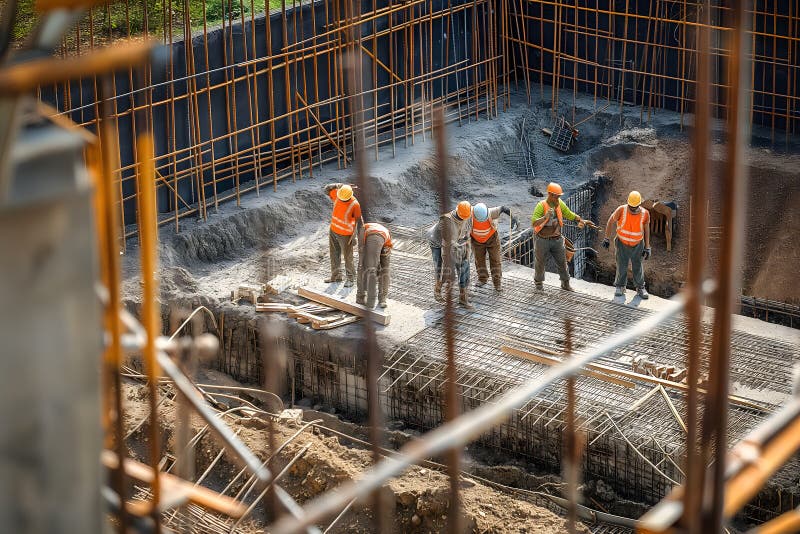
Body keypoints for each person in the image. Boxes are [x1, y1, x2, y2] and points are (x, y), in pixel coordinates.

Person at [530, 182, 585, 291]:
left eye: (559, 196)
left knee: (562, 262)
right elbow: (534, 223)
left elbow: (568, 213)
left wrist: (578, 219)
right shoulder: (541, 206)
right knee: (540, 262)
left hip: (557, 239)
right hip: (542, 239)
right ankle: (539, 284)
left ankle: (565, 283)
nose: (558, 198)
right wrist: (545, 217)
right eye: (556, 196)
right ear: (550, 195)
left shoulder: (559, 204)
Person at [602, 190, 652, 299]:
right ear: (628, 203)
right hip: (621, 243)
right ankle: (620, 286)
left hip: (638, 244)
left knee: (637, 266)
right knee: (621, 265)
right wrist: (606, 238)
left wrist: (647, 247)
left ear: (639, 204)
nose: (633, 209)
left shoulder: (645, 213)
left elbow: (647, 229)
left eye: (635, 207)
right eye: (631, 207)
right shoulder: (621, 210)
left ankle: (640, 287)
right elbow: (610, 221)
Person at [428, 200, 474, 308]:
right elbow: (446, 245)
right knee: (442, 269)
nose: (465, 219)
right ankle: (438, 289)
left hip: (455, 241)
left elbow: (467, 235)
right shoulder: (446, 221)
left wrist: (467, 251)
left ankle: (463, 298)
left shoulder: (468, 214)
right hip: (437, 242)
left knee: (465, 266)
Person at [470, 203, 516, 291]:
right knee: (479, 260)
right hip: (476, 240)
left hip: (492, 239)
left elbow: (503, 208)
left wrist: (513, 218)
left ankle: (497, 283)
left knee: (495, 260)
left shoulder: (491, 212)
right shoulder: (469, 214)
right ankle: (482, 278)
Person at [324, 183, 363, 287]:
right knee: (334, 254)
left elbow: (359, 221)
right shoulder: (337, 193)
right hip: (333, 230)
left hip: (346, 235)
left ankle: (350, 279)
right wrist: (341, 185)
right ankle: (336, 276)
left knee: (348, 257)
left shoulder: (355, 204)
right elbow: (326, 188)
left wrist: (356, 237)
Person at [356, 223, 392, 309]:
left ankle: (363, 298)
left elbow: (361, 250)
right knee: (385, 270)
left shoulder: (363, 229)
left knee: (367, 268)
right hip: (386, 239)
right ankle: (382, 299)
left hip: (376, 237)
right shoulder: (367, 227)